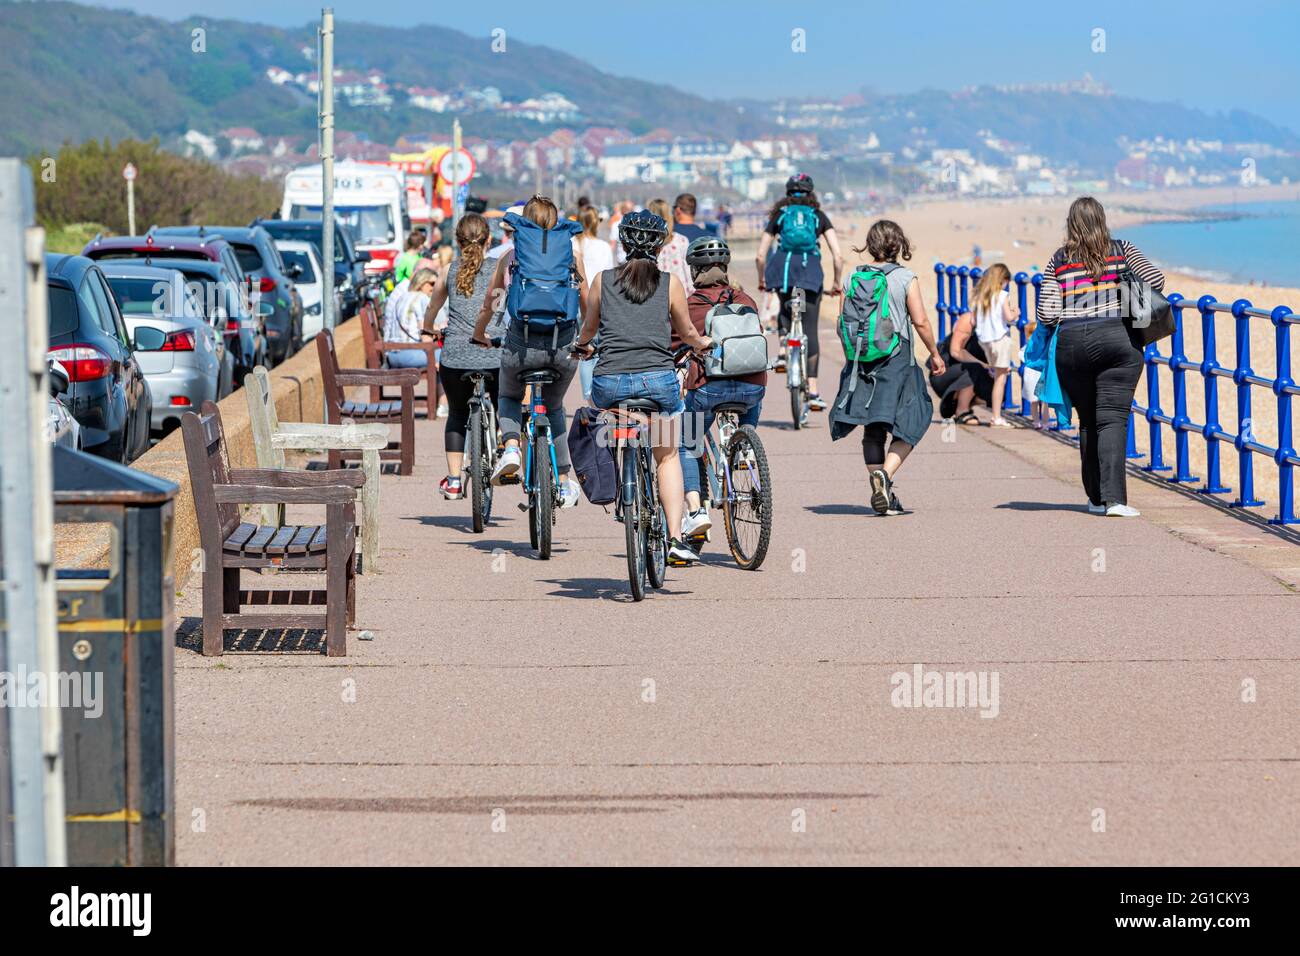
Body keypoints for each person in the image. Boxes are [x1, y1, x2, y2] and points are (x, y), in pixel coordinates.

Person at [572, 209, 712, 566]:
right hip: (659, 381)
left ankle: (624, 488)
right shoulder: (671, 284)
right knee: (667, 454)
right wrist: (701, 344)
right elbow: (688, 332)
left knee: (609, 423)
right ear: (661, 246)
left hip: (610, 382)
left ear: (623, 242)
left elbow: (589, 330)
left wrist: (583, 346)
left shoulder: (603, 280)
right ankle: (677, 537)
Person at [1037, 196, 1165, 517]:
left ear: (1071, 223)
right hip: (1117, 339)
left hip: (1072, 344)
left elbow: (1046, 312)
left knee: (1088, 421)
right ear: (1102, 220)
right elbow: (1157, 280)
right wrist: (1120, 291)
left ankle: (1095, 499)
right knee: (1112, 419)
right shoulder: (1122, 249)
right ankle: (1115, 501)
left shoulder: (1059, 259)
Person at [471, 195, 583, 508]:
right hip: (562, 346)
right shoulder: (572, 255)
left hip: (521, 343)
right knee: (555, 405)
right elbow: (586, 302)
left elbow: (491, 303)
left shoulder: (510, 257)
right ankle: (561, 480)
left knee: (507, 396)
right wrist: (586, 340)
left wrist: (480, 334)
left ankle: (510, 448)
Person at [829, 220, 945, 516]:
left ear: (870, 244)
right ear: (899, 245)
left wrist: (854, 353)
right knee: (915, 416)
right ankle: (886, 475)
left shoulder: (853, 278)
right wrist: (934, 352)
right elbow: (919, 321)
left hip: (863, 359)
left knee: (874, 426)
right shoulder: (905, 278)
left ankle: (881, 486)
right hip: (897, 359)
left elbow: (842, 322)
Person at [675, 235, 765, 538]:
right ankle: (746, 445)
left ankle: (696, 510)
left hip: (710, 390)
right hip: (752, 388)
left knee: (687, 442)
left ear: (695, 271)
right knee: (753, 396)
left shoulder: (690, 305)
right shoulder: (745, 300)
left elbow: (672, 343)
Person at [422, 213, 504, 500]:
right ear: (489, 240)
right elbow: (500, 306)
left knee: (457, 413)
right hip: (495, 352)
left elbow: (433, 308)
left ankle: (455, 481)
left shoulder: (448, 271)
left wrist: (428, 329)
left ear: (457, 242)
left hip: (455, 356)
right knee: (504, 403)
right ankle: (505, 451)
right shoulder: (500, 271)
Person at [755, 174, 846, 412]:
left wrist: (762, 279)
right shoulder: (818, 217)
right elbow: (838, 256)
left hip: (783, 271)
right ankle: (814, 390)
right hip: (810, 274)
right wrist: (836, 283)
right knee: (809, 327)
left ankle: (784, 350)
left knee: (786, 307)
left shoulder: (780, 215)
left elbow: (760, 254)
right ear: (811, 193)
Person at [970, 263, 1019, 427]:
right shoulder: (1002, 295)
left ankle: (992, 369)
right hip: (999, 339)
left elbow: (973, 320)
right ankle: (996, 416)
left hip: (985, 341)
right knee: (1001, 378)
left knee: (996, 372)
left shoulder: (981, 296)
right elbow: (1009, 318)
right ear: (1002, 280)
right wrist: (1016, 312)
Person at [574, 205, 614, 400]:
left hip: (574, 300)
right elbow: (609, 275)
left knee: (582, 349)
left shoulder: (573, 244)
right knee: (595, 349)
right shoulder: (603, 247)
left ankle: (586, 393)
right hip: (598, 301)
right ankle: (593, 392)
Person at [929, 309, 994, 424]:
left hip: (965, 372)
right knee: (975, 368)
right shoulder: (969, 319)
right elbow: (956, 351)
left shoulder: (996, 324)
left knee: (997, 386)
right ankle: (961, 410)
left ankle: (955, 403)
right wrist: (981, 364)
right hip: (944, 370)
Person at [647, 198, 693, 294]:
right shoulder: (681, 241)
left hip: (655, 296)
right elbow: (688, 273)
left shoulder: (645, 245)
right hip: (680, 294)